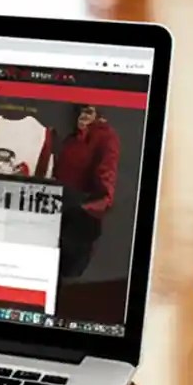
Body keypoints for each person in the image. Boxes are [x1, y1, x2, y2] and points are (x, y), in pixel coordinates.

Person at [54, 104, 121, 279]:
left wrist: (88, 208)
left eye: (88, 112)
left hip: (79, 218)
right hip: (63, 214)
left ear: (98, 115)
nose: (82, 116)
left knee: (68, 276)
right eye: (81, 112)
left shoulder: (105, 137)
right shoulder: (73, 140)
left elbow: (107, 176)